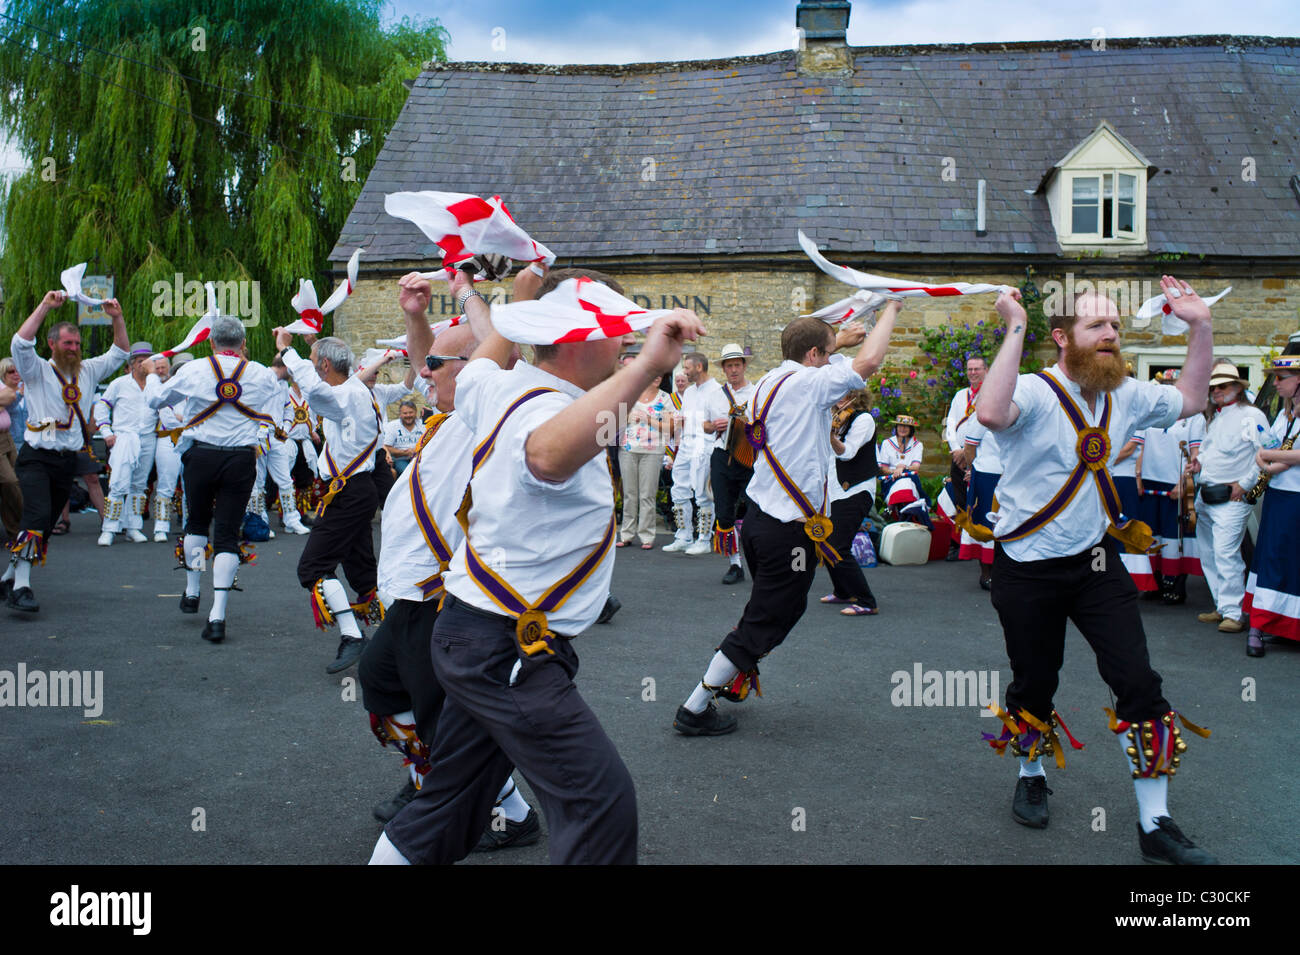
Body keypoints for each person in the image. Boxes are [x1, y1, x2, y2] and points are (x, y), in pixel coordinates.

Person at [373, 268, 705, 866]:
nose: (625, 342)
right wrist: (648, 368)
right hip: (506, 649)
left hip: (474, 636)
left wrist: (483, 298)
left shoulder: (491, 385)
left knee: (449, 802)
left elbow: (480, 353)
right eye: (618, 333)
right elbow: (548, 455)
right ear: (582, 338)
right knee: (600, 801)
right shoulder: (551, 411)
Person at [977, 279, 1218, 865]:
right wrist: (1014, 325)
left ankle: (1155, 823)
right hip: (1026, 566)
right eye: (1096, 327)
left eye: (1114, 326)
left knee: (1137, 680)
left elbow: (1191, 398)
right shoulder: (1033, 391)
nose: (1111, 335)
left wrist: (1201, 326)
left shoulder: (1128, 394)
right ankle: (1031, 770)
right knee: (1035, 681)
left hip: (1095, 562)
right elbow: (990, 411)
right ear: (1062, 338)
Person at [361, 267, 539, 849]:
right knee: (383, 685)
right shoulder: (446, 412)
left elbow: (498, 346)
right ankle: (459, 792)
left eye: (437, 365)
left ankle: (486, 813)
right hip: (408, 590)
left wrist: (466, 290)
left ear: (477, 370)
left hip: (438, 593)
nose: (422, 373)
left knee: (444, 721)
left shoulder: (485, 408)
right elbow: (429, 361)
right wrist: (416, 315)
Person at [674, 303, 901, 736]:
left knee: (770, 608)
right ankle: (696, 705)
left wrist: (837, 340)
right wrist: (891, 304)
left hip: (759, 522)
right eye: (828, 351)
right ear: (814, 355)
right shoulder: (808, 384)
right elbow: (868, 363)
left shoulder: (766, 383)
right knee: (770, 617)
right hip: (787, 532)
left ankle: (735, 675)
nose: (836, 356)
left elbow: (823, 364)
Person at [144, 316, 279, 642]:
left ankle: (192, 591)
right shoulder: (262, 374)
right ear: (243, 344)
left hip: (201, 456)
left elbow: (156, 401)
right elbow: (271, 415)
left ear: (210, 342)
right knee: (228, 535)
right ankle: (217, 615)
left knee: (197, 524)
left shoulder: (194, 370)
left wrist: (150, 376)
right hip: (240, 459)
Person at [3, 291, 127, 613]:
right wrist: (45, 305)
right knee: (35, 515)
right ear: (52, 344)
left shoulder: (87, 371)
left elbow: (120, 352)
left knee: (45, 525)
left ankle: (8, 577)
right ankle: (22, 587)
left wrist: (116, 317)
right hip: (37, 457)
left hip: (66, 461)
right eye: (67, 343)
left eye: (76, 343)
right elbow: (19, 343)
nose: (73, 348)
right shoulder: (37, 371)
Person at [275, 330, 383, 673]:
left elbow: (316, 389)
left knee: (312, 568)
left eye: (313, 362)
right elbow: (327, 379)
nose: (308, 366)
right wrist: (311, 346)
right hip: (355, 491)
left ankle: (352, 636)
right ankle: (397, 639)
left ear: (323, 365)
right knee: (363, 575)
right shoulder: (353, 390)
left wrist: (287, 351)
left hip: (348, 494)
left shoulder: (343, 396)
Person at [1189, 361, 1269, 634]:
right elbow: (1214, 453)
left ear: (1237, 387)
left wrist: (1244, 485)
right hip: (1208, 492)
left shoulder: (1252, 416)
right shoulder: (1217, 417)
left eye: (1223, 386)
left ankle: (1234, 612)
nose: (1217, 391)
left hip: (1232, 497)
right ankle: (1223, 605)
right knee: (1209, 552)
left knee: (1225, 553)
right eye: (1213, 387)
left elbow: (1264, 454)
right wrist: (1198, 465)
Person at [1242, 355, 1300, 656]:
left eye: (1280, 378)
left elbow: (1286, 455)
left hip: (1296, 497)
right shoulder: (1284, 415)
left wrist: (1268, 456)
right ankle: (1260, 625)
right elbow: (1276, 451)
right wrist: (1268, 456)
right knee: (1273, 557)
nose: (1275, 384)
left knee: (1292, 560)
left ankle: (1288, 625)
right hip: (1281, 496)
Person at [1134, 377, 1204, 604]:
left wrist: (1182, 483)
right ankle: (1153, 582)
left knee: (1175, 536)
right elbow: (1140, 447)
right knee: (1151, 533)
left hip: (1175, 482)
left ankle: (1175, 583)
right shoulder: (1150, 413)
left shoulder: (1195, 417)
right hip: (1150, 480)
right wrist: (1138, 477)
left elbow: (1195, 455)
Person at [818, 387, 880, 615]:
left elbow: (848, 452)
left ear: (856, 395)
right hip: (835, 492)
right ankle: (844, 591)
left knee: (838, 545)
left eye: (846, 393)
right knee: (826, 543)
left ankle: (867, 601)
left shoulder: (864, 420)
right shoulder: (836, 419)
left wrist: (831, 436)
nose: (840, 398)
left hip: (856, 490)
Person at [93, 342, 160, 545]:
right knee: (118, 483)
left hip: (148, 437)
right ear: (132, 364)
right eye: (140, 361)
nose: (144, 365)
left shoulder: (155, 384)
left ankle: (134, 527)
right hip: (124, 436)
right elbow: (102, 407)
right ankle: (109, 529)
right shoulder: (119, 384)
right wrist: (106, 432)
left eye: (148, 361)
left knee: (139, 485)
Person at [701, 343, 756, 582]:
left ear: (744, 366)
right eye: (729, 365)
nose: (733, 370)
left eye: (737, 365)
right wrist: (714, 426)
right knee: (724, 513)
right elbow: (704, 425)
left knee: (756, 512)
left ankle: (760, 563)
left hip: (751, 458)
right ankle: (735, 565)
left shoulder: (757, 393)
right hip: (722, 457)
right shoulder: (714, 396)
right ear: (723, 369)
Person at [662, 352, 720, 554]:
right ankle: (683, 535)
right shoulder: (689, 392)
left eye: (687, 368)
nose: (684, 372)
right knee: (678, 489)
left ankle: (704, 539)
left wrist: (710, 427)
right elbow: (683, 420)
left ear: (699, 367)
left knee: (703, 493)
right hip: (686, 443)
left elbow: (720, 423)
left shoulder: (716, 391)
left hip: (704, 445)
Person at [617, 374, 673, 549]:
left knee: (647, 495)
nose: (657, 377)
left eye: (660, 374)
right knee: (629, 494)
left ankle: (647, 536)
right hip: (628, 449)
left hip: (653, 451)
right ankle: (626, 534)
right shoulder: (631, 394)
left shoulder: (665, 398)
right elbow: (616, 419)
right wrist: (627, 417)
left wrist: (647, 419)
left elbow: (670, 427)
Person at [943, 355, 987, 556]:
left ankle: (980, 542)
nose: (973, 373)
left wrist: (971, 453)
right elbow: (950, 423)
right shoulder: (960, 395)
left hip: (981, 456)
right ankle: (961, 541)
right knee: (959, 499)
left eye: (977, 369)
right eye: (970, 369)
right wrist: (956, 449)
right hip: (958, 456)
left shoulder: (990, 394)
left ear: (985, 370)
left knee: (979, 499)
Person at [955, 418, 999, 590]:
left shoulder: (1015, 409)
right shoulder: (981, 415)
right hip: (986, 474)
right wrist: (973, 470)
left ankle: (1001, 572)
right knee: (985, 522)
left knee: (1006, 523)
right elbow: (969, 447)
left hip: (1011, 473)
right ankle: (986, 574)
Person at [150, 354, 188, 542]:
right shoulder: (166, 390)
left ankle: (191, 526)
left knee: (191, 486)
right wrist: (186, 420)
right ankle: (160, 526)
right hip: (168, 439)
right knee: (166, 484)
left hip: (191, 440)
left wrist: (185, 420)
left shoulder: (198, 392)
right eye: (179, 370)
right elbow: (168, 418)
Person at [877, 413, 929, 526]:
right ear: (896, 428)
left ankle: (890, 509)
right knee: (904, 481)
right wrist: (895, 471)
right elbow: (883, 469)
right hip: (890, 479)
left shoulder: (917, 445)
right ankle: (901, 512)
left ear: (911, 429)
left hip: (909, 476)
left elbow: (916, 467)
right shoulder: (887, 443)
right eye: (900, 426)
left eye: (906, 426)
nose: (903, 429)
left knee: (906, 480)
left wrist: (902, 467)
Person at [0, 358, 25, 540]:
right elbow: (9, 397)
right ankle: (27, 521)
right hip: (9, 440)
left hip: (12, 438)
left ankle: (15, 529)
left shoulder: (25, 388)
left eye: (17, 371)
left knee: (19, 482)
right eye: (11, 371)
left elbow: (9, 397)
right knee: (10, 482)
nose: (16, 374)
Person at [382, 400, 425, 477]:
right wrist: (405, 452)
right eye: (405, 413)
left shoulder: (423, 425)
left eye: (411, 412)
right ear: (400, 414)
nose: (408, 415)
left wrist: (417, 452)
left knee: (424, 472)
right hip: (400, 459)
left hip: (420, 458)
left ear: (415, 412)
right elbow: (387, 447)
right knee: (408, 473)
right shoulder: (392, 426)